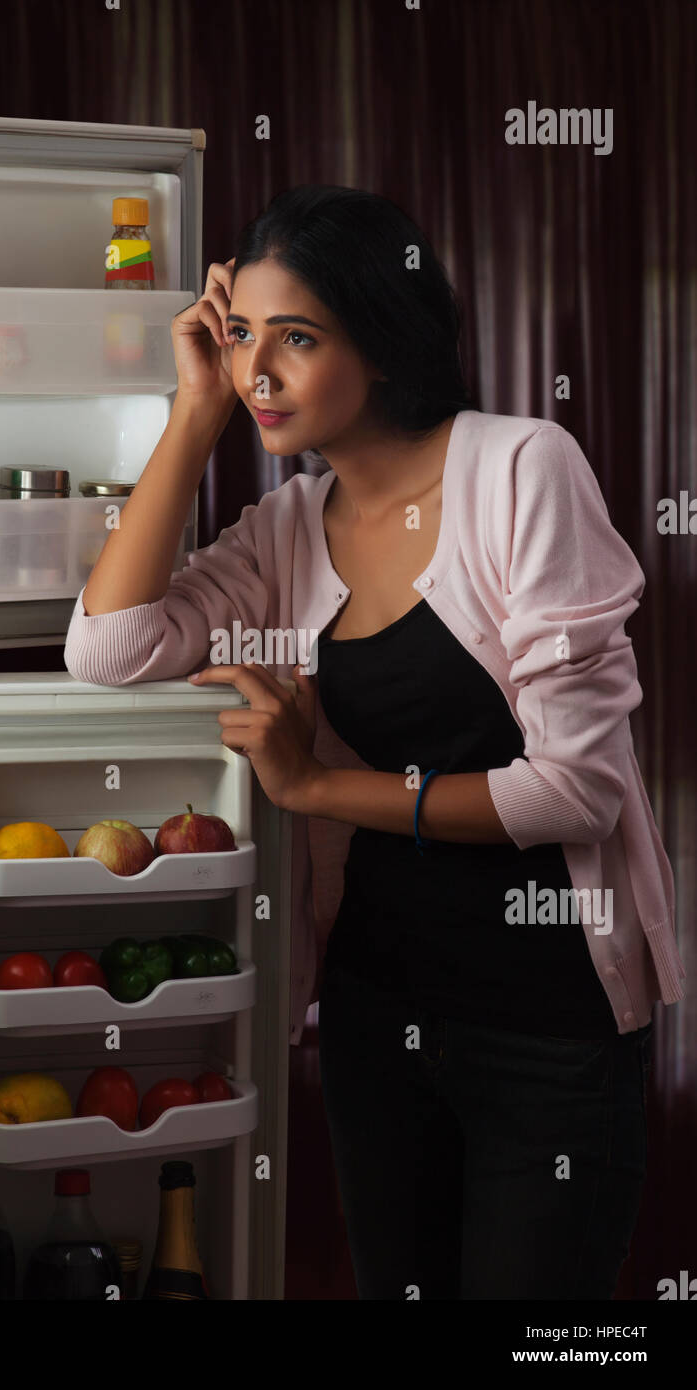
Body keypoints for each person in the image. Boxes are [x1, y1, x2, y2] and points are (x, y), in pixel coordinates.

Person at [64, 185, 684, 1301]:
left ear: (385, 341)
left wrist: (317, 783)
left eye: (296, 338)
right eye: (241, 334)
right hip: (375, 1016)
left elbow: (574, 794)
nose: (259, 369)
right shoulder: (287, 527)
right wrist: (193, 416)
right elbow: (107, 646)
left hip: (547, 1027)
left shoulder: (518, 470)